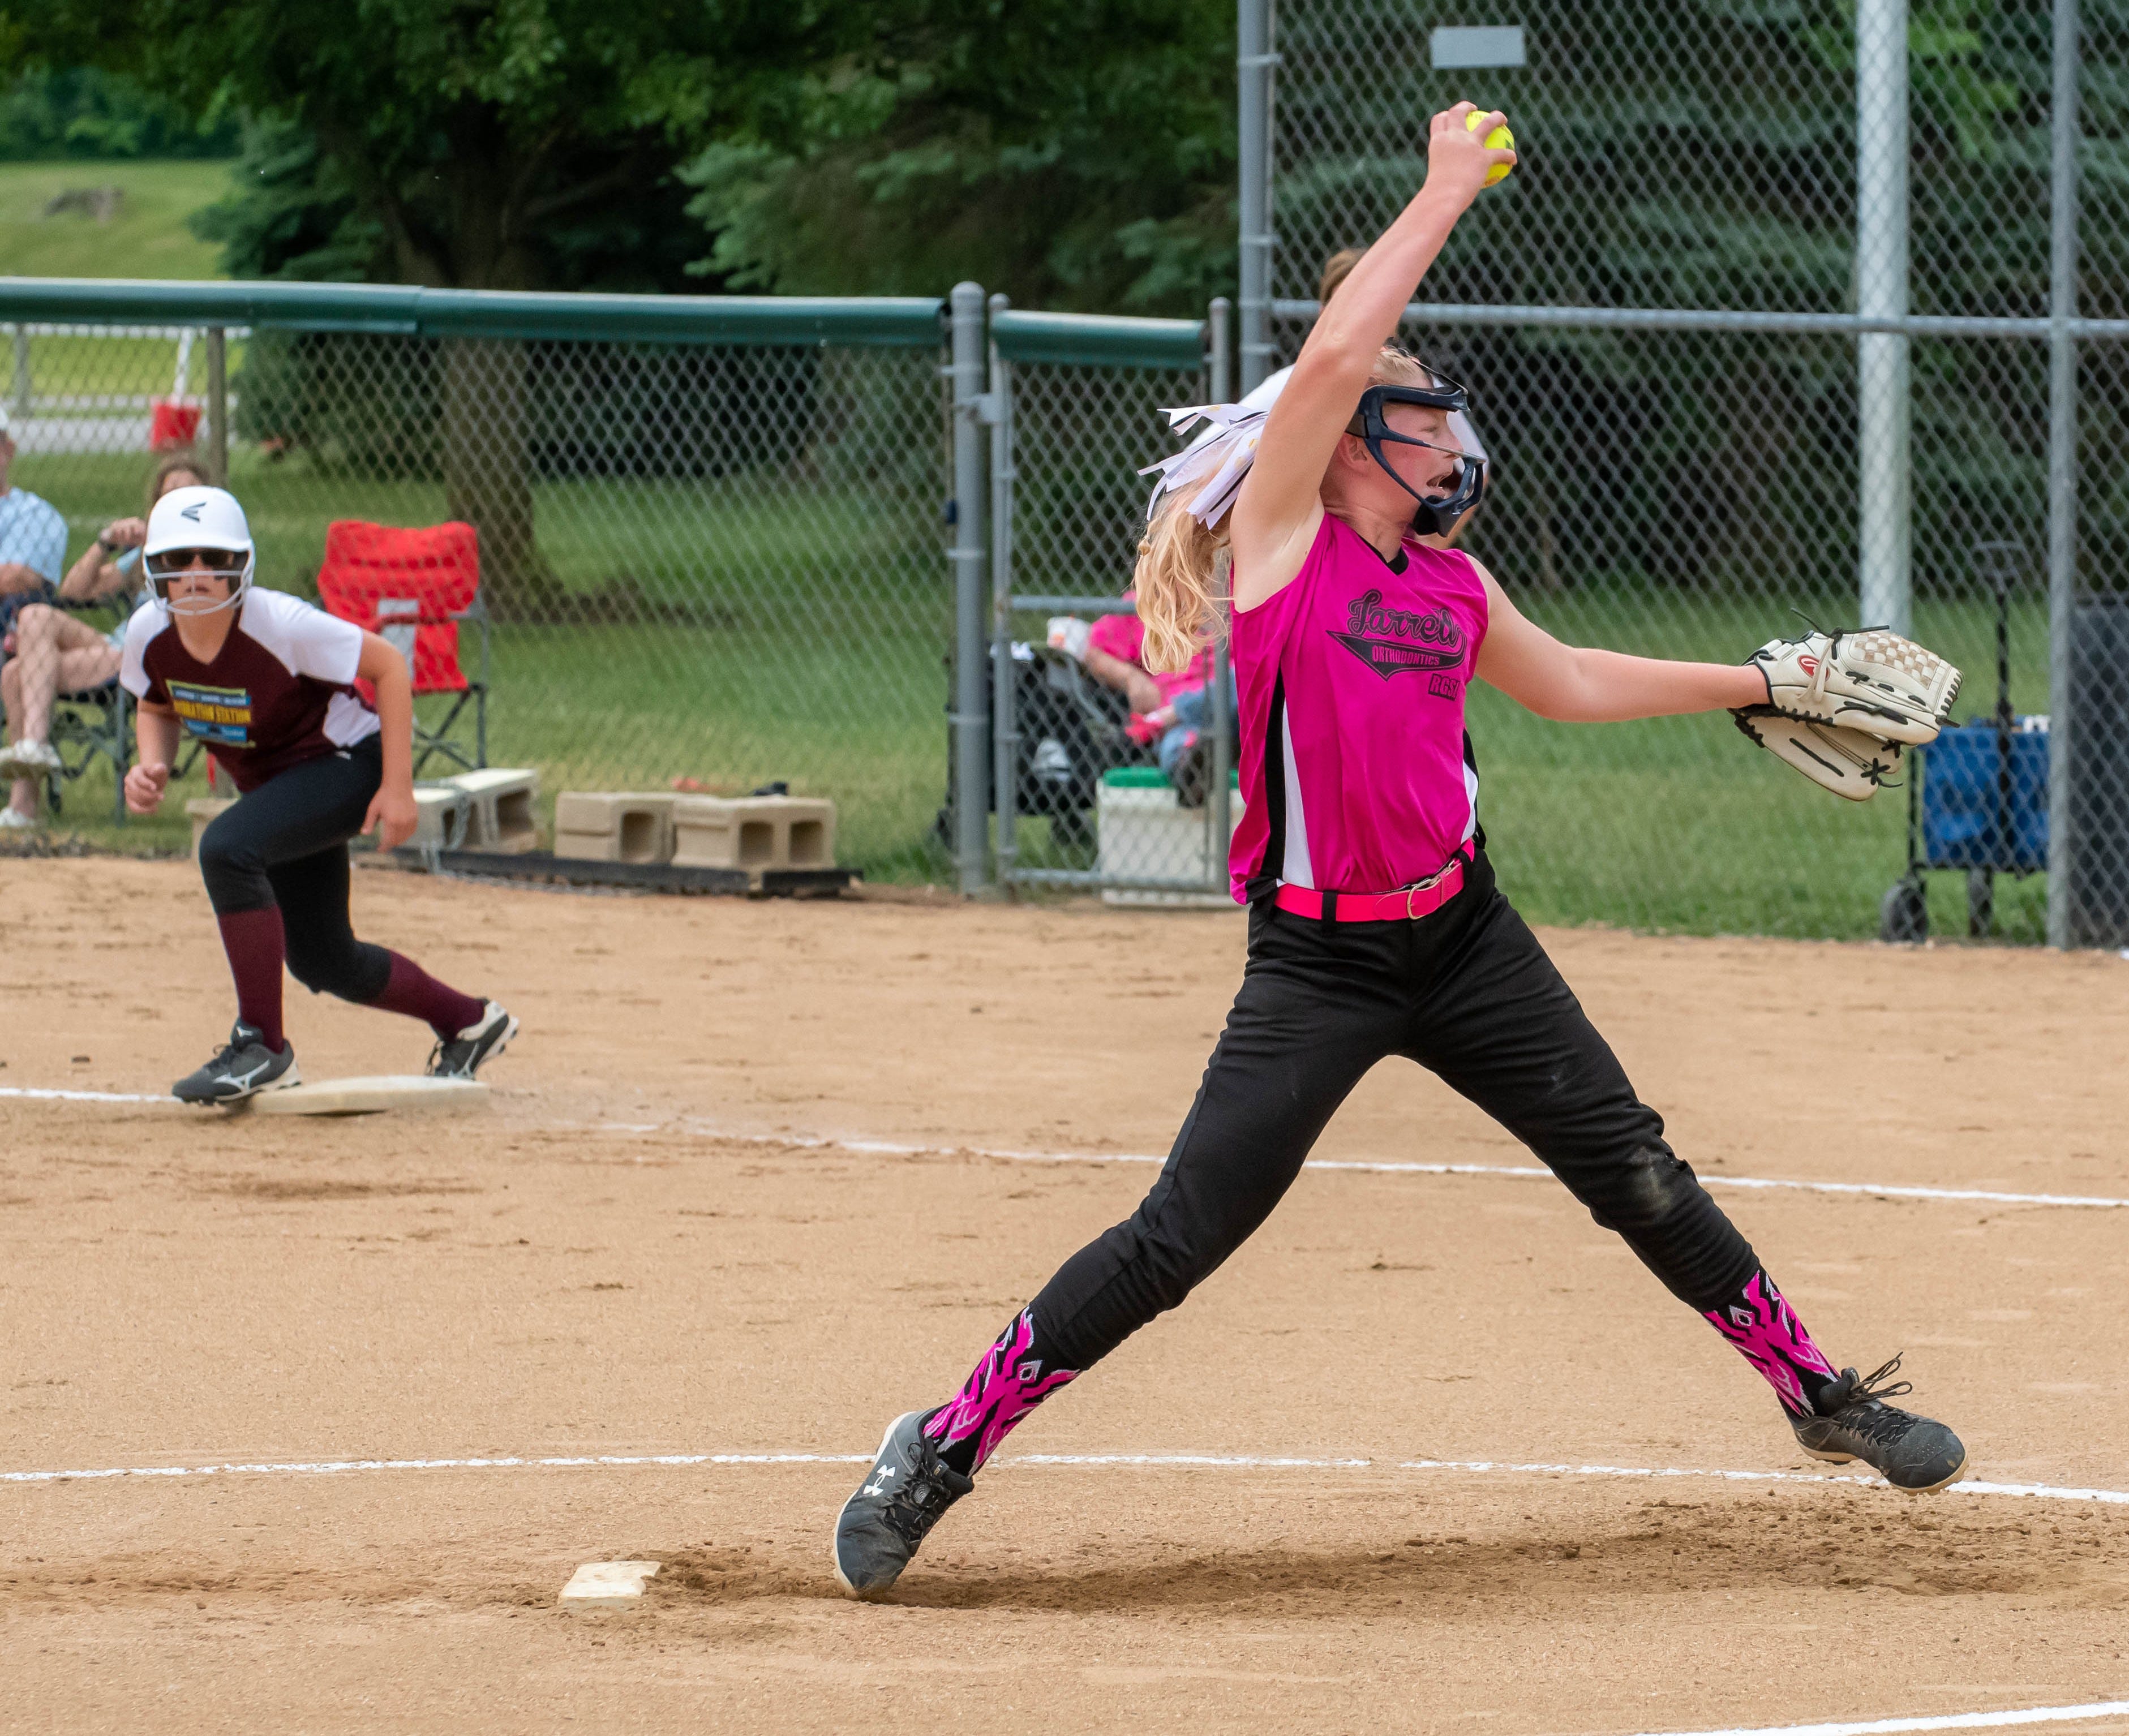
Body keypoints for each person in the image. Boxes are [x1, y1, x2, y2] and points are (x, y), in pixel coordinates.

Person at [831, 104, 1967, 1599]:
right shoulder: (1284, 549)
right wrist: (1440, 193)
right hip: (1320, 959)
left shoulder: (1450, 584)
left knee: (1634, 1170)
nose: (1449, 438)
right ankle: (944, 1439)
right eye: (1423, 416)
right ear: (1362, 435)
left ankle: (1823, 1398)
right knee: (1179, 1236)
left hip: (1465, 937)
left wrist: (1761, 683)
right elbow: (1330, 359)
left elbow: (1569, 681)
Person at [119, 483, 518, 1102]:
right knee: (323, 957)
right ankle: (469, 1020)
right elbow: (156, 704)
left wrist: (397, 787)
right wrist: (153, 764)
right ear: (154, 572)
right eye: (176, 560)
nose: (195, 574)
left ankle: (263, 1046)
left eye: (212, 558)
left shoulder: (280, 623)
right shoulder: (148, 633)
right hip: (283, 784)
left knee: (227, 848)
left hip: (345, 762)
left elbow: (389, 666)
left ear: (242, 566)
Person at [0, 452, 205, 826]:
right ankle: (33, 750)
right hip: (115, 650)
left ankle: (25, 800)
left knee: (17, 674)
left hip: (150, 660)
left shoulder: (215, 553)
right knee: (33, 618)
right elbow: (75, 592)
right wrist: (106, 542)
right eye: (169, 494)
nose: (178, 501)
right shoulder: (147, 554)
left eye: (188, 492)